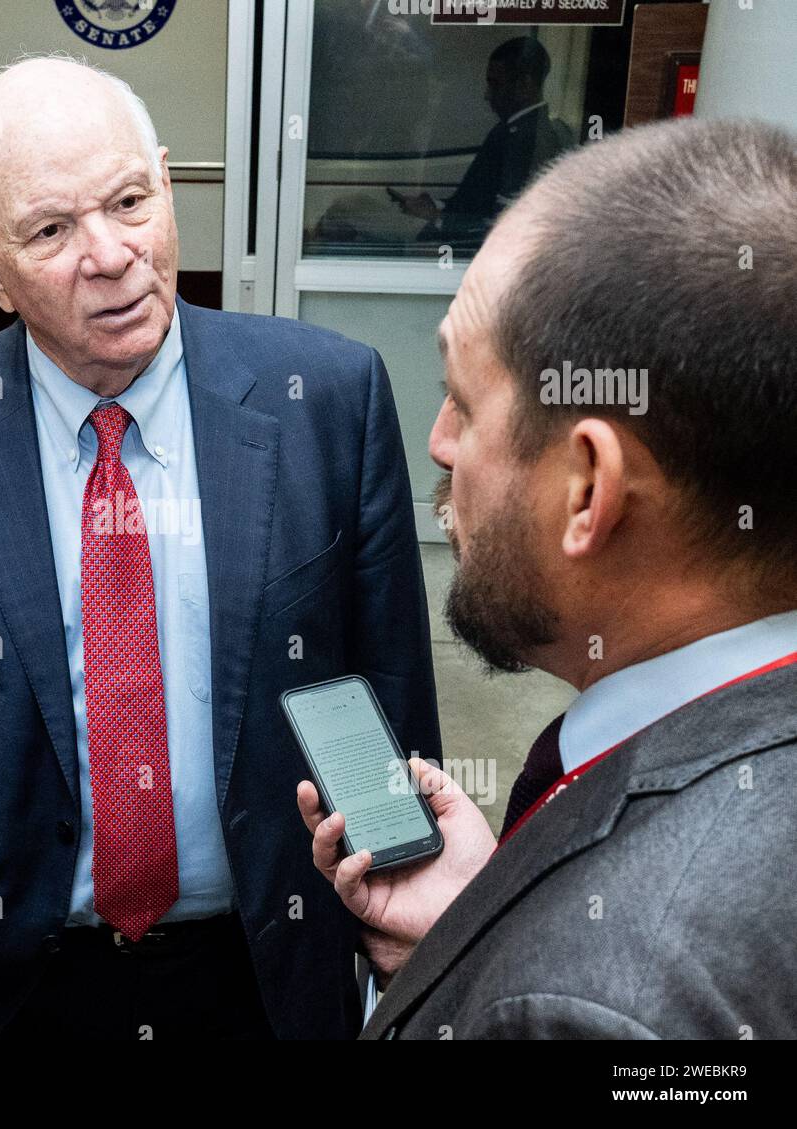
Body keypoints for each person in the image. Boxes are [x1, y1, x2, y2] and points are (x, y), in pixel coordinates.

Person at [0, 55, 441, 1040]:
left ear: (166, 182)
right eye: (51, 229)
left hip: (268, 960)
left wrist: (388, 909)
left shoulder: (324, 398)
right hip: (23, 976)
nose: (110, 254)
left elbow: (386, 685)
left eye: (128, 200)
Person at [301, 116, 797, 1039]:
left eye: (465, 397)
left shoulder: (599, 1008)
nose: (439, 440)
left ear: (588, 490)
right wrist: (480, 921)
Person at [392, 37, 573, 246]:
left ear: (525, 84)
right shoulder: (511, 129)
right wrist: (438, 205)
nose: (487, 95)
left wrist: (437, 217)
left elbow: (503, 225)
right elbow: (480, 202)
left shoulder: (527, 141)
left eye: (496, 84)